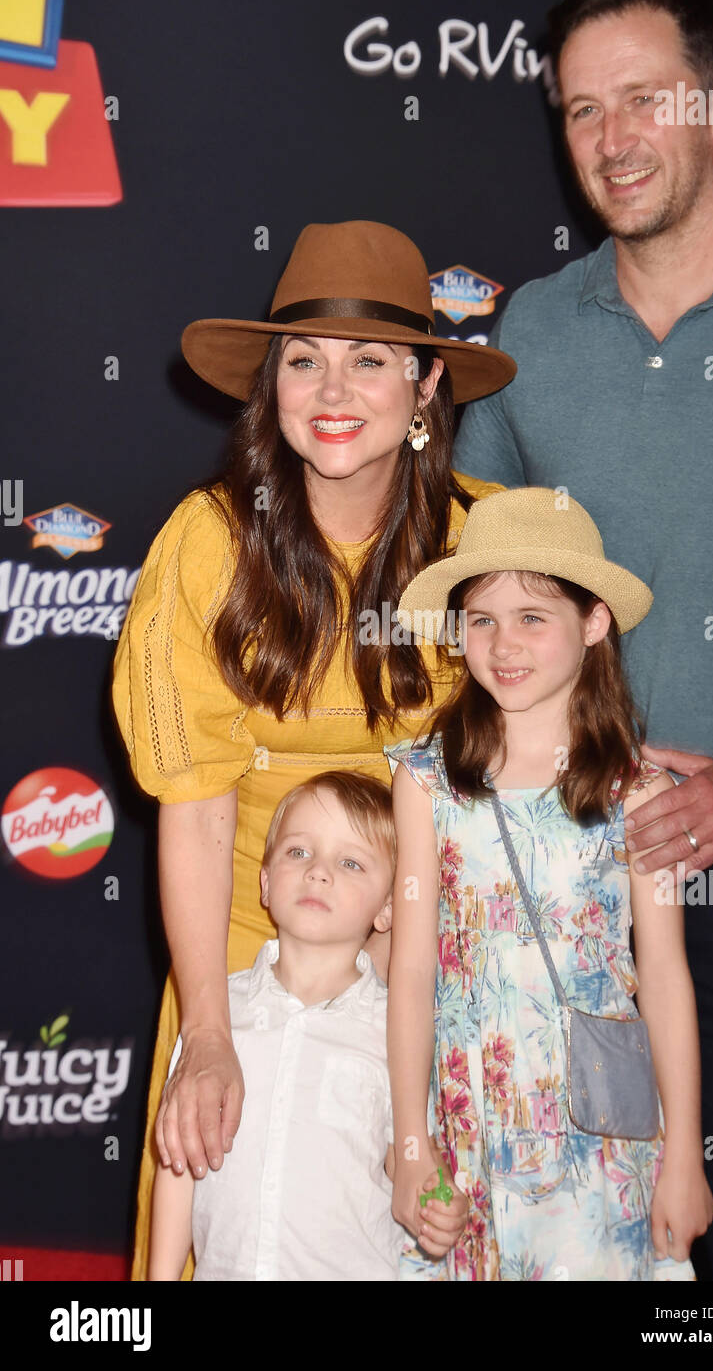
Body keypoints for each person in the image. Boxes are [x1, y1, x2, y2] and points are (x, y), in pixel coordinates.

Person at [452, 0, 713, 1282]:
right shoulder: (532, 336)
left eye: (647, 100)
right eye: (581, 110)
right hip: (564, 894)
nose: (612, 138)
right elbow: (470, 585)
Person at [112, 218, 515, 1279]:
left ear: (427, 384)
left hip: (433, 959)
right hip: (243, 951)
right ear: (271, 385)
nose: (332, 390)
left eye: (369, 360)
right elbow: (194, 806)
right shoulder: (208, 541)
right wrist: (207, 1033)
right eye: (304, 359)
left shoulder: (491, 545)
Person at [385, 487, 713, 1280]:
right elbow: (412, 968)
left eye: (534, 617)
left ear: (593, 624)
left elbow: (665, 976)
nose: (505, 643)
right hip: (465, 1134)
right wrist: (409, 1143)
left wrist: (682, 1159)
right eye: (483, 618)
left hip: (600, 1144)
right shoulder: (426, 781)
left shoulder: (642, 791)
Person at [147, 771, 467, 1281]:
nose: (319, 873)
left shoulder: (395, 1033)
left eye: (350, 862)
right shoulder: (215, 1021)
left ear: (389, 908)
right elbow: (180, 1163)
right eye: (299, 852)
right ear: (265, 881)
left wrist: (437, 1203)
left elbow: (407, 1158)